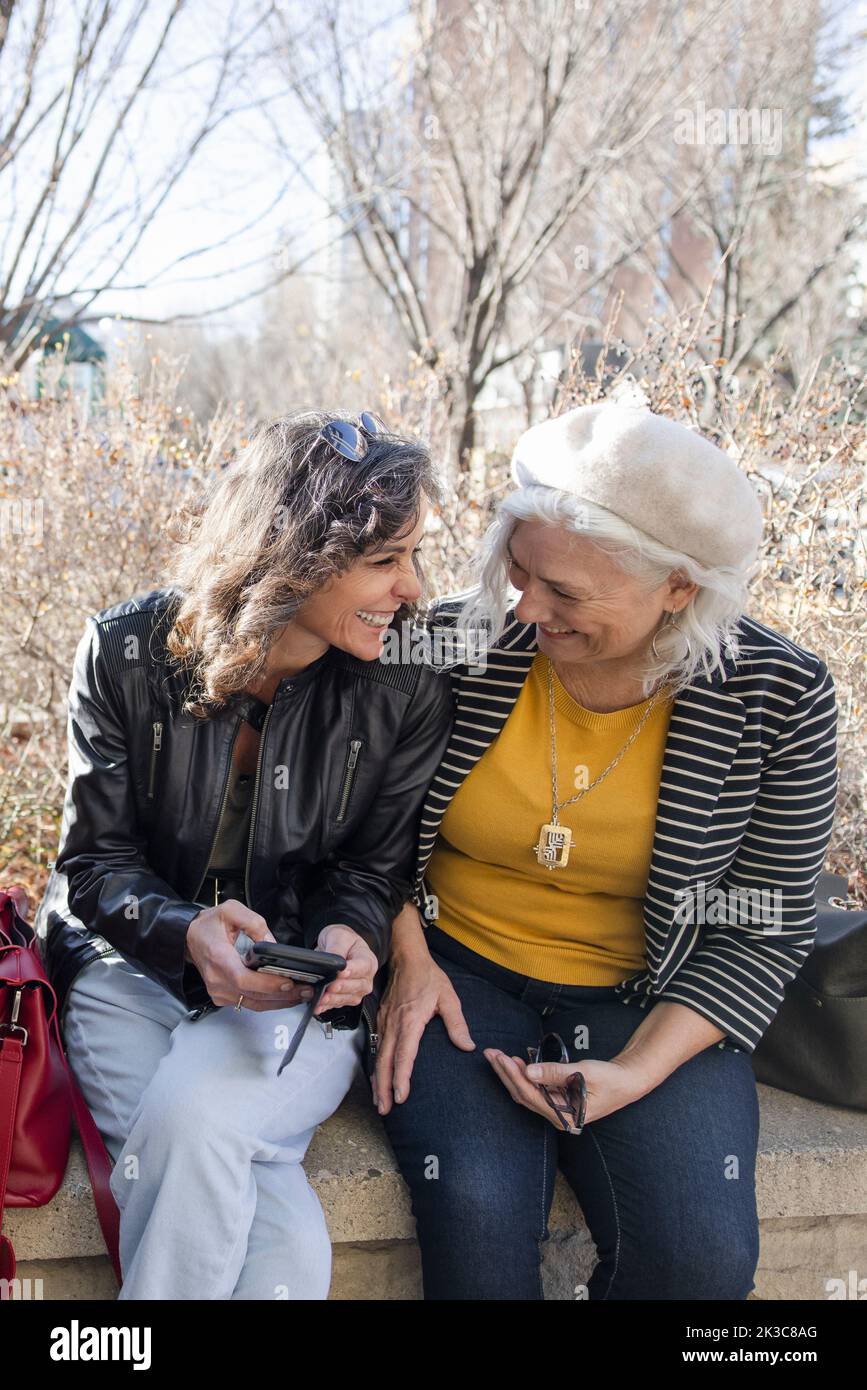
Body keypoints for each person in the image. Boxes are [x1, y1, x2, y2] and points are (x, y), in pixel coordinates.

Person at [374, 400, 839, 1300]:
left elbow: (765, 924)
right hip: (454, 971)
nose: (526, 609)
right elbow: (358, 833)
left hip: (655, 994)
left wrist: (631, 1073)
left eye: (567, 594)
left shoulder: (778, 698)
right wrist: (407, 957)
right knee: (471, 1214)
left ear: (679, 587)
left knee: (698, 1266)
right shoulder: (452, 644)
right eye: (520, 573)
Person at [34, 408, 454, 1300]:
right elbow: (96, 862)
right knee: (269, 1218)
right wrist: (188, 933)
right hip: (126, 967)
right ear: (292, 555)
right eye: (385, 561)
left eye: (413, 556)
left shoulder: (404, 683)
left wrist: (350, 937)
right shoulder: (127, 650)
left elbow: (372, 871)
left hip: (293, 988)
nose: (412, 588)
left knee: (193, 1123)